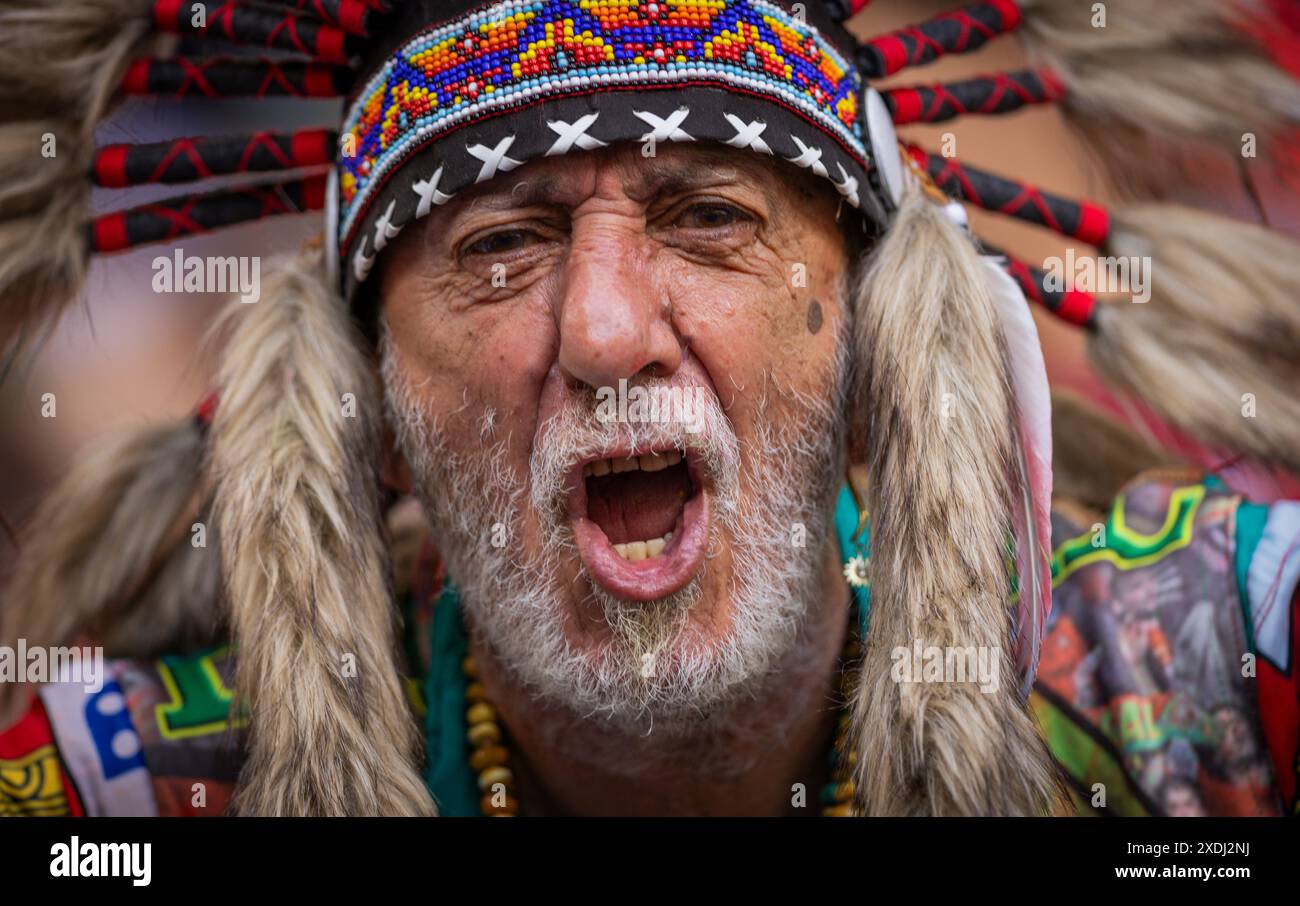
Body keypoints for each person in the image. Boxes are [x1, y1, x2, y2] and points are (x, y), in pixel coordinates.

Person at [0, 0, 1297, 817]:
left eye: (709, 217)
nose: (607, 331)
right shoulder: (111, 794)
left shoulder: (1204, 672)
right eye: (501, 248)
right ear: (373, 416)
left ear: (875, 359)